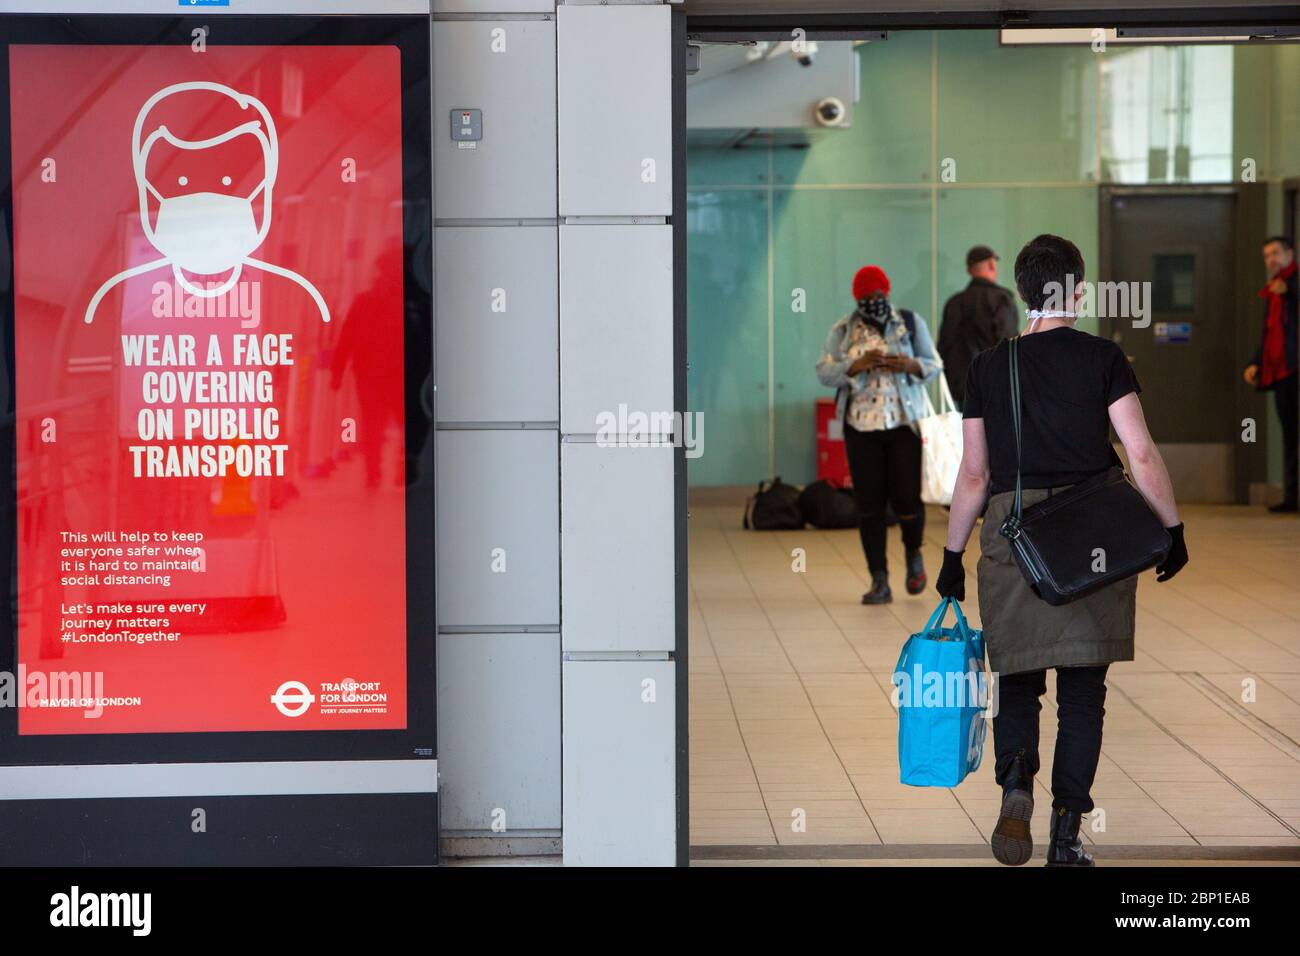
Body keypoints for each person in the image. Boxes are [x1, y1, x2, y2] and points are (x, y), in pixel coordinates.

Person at [934, 234, 1188, 867]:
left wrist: (950, 554)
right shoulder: (1104, 358)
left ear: (1022, 294)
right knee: (1082, 694)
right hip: (1091, 541)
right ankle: (1066, 836)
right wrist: (1172, 529)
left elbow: (973, 473)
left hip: (1012, 536)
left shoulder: (989, 366)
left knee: (1016, 683)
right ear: (1077, 290)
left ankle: (1016, 787)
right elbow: (1140, 451)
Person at [816, 265, 942, 604]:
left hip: (904, 424)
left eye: (877, 295)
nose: (873, 301)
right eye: (866, 297)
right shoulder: (843, 330)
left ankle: (913, 554)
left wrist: (909, 365)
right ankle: (879, 579)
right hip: (860, 427)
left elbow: (934, 365)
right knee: (869, 505)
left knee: (906, 499)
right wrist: (855, 365)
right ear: (857, 299)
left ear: (887, 292)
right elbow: (824, 371)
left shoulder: (911, 323)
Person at [1243, 236, 1298, 514]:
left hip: (1294, 370)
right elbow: (1270, 333)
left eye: (1275, 253)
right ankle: (1292, 497)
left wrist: (1289, 291)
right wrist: (1256, 363)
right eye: (1266, 255)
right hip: (1281, 374)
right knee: (1290, 434)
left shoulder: (1289, 286)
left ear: (1290, 253)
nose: (1271, 260)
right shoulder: (1274, 290)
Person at [938, 245, 1018, 411]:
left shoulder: (954, 303)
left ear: (969, 270)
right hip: (995, 387)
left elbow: (943, 348)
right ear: (991, 265)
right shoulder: (1001, 299)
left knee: (967, 435)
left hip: (962, 388)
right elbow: (1009, 345)